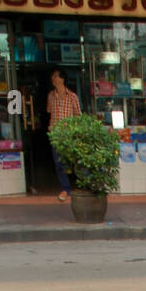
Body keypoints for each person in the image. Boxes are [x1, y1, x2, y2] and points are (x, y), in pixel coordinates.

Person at [47, 67, 81, 202]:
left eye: (55, 76)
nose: (53, 79)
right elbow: (50, 113)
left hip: (69, 134)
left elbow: (78, 115)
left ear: (62, 79)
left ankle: (81, 186)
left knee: (74, 161)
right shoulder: (51, 96)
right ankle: (66, 189)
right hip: (56, 134)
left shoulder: (72, 97)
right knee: (59, 163)